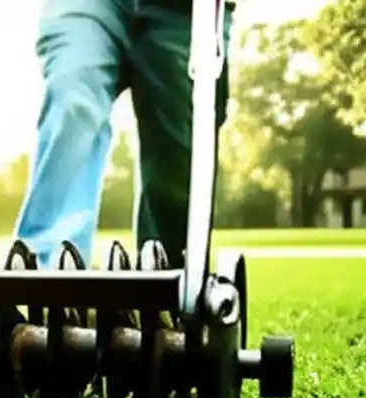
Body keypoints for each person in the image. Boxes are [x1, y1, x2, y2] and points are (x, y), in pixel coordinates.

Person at [13, 0, 233, 269]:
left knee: (178, 157)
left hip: (186, 13)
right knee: (73, 95)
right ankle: (49, 269)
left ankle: (167, 274)